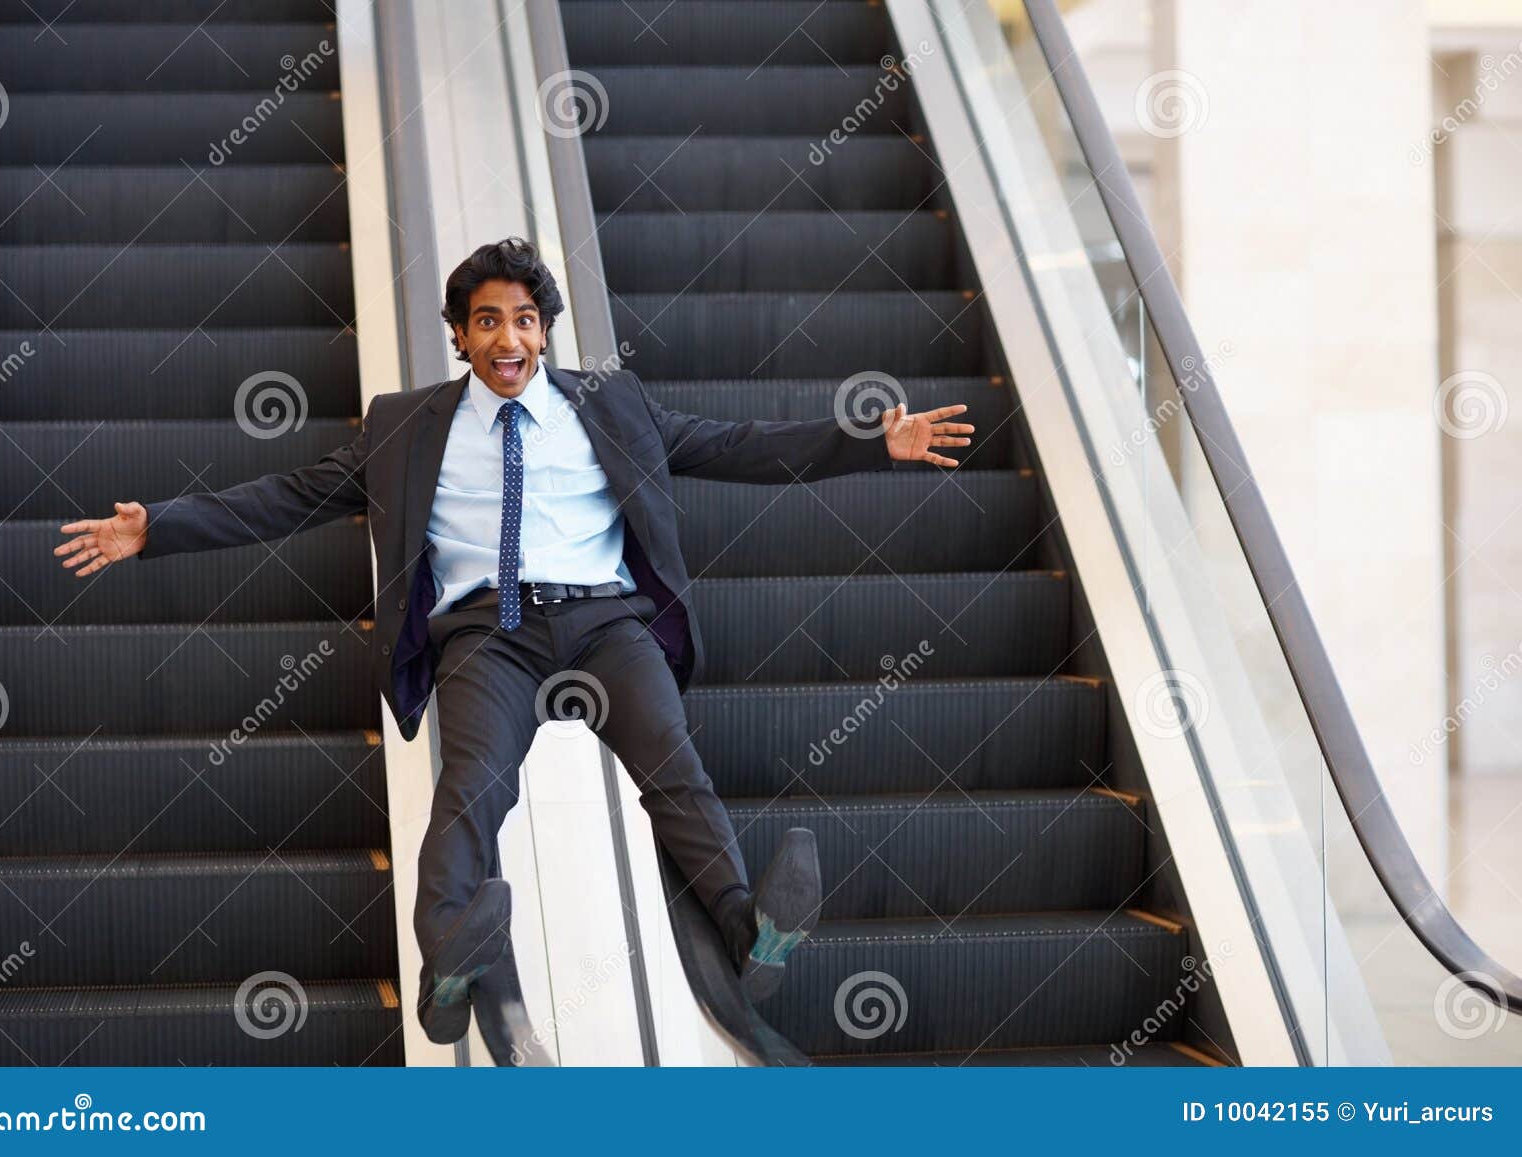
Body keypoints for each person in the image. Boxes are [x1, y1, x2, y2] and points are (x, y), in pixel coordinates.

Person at [53, 237, 974, 1049]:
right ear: (459, 335)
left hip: (606, 619)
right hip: (485, 630)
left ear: (546, 331)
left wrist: (867, 443)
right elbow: (293, 495)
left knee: (673, 761)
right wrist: (158, 526)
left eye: (525, 320)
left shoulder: (610, 406)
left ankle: (746, 930)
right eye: (486, 321)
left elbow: (736, 443)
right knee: (471, 788)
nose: (508, 339)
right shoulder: (406, 425)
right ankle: (447, 961)